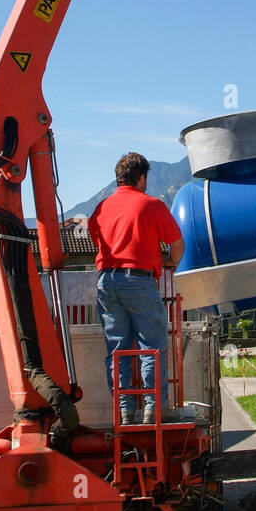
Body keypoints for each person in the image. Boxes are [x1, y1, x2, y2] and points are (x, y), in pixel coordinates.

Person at [87, 152, 185, 426]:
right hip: (139, 280)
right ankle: (154, 409)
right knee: (151, 348)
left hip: (106, 281)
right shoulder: (151, 205)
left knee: (117, 350)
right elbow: (178, 245)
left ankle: (124, 411)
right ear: (141, 178)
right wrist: (169, 262)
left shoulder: (101, 207)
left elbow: (98, 240)